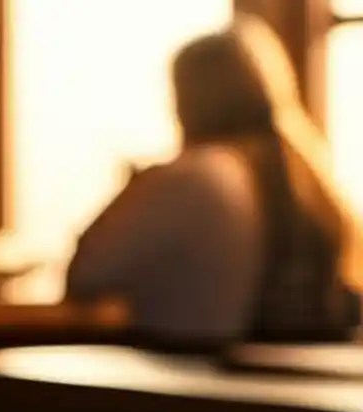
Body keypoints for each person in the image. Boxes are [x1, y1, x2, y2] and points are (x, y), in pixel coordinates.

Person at [67, 16, 363, 347]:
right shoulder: (309, 180)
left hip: (193, 382)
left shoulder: (193, 178)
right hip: (289, 387)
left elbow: (86, 274)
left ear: (187, 100)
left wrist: (134, 193)